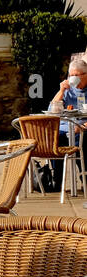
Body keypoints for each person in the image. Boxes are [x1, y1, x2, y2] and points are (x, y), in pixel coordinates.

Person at [45, 58, 87, 190]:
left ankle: (84, 177)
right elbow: (52, 110)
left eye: (76, 75)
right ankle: (57, 180)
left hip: (82, 129)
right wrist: (61, 91)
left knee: (82, 139)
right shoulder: (68, 90)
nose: (73, 78)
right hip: (65, 128)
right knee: (55, 138)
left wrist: (83, 126)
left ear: (85, 75)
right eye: (71, 75)